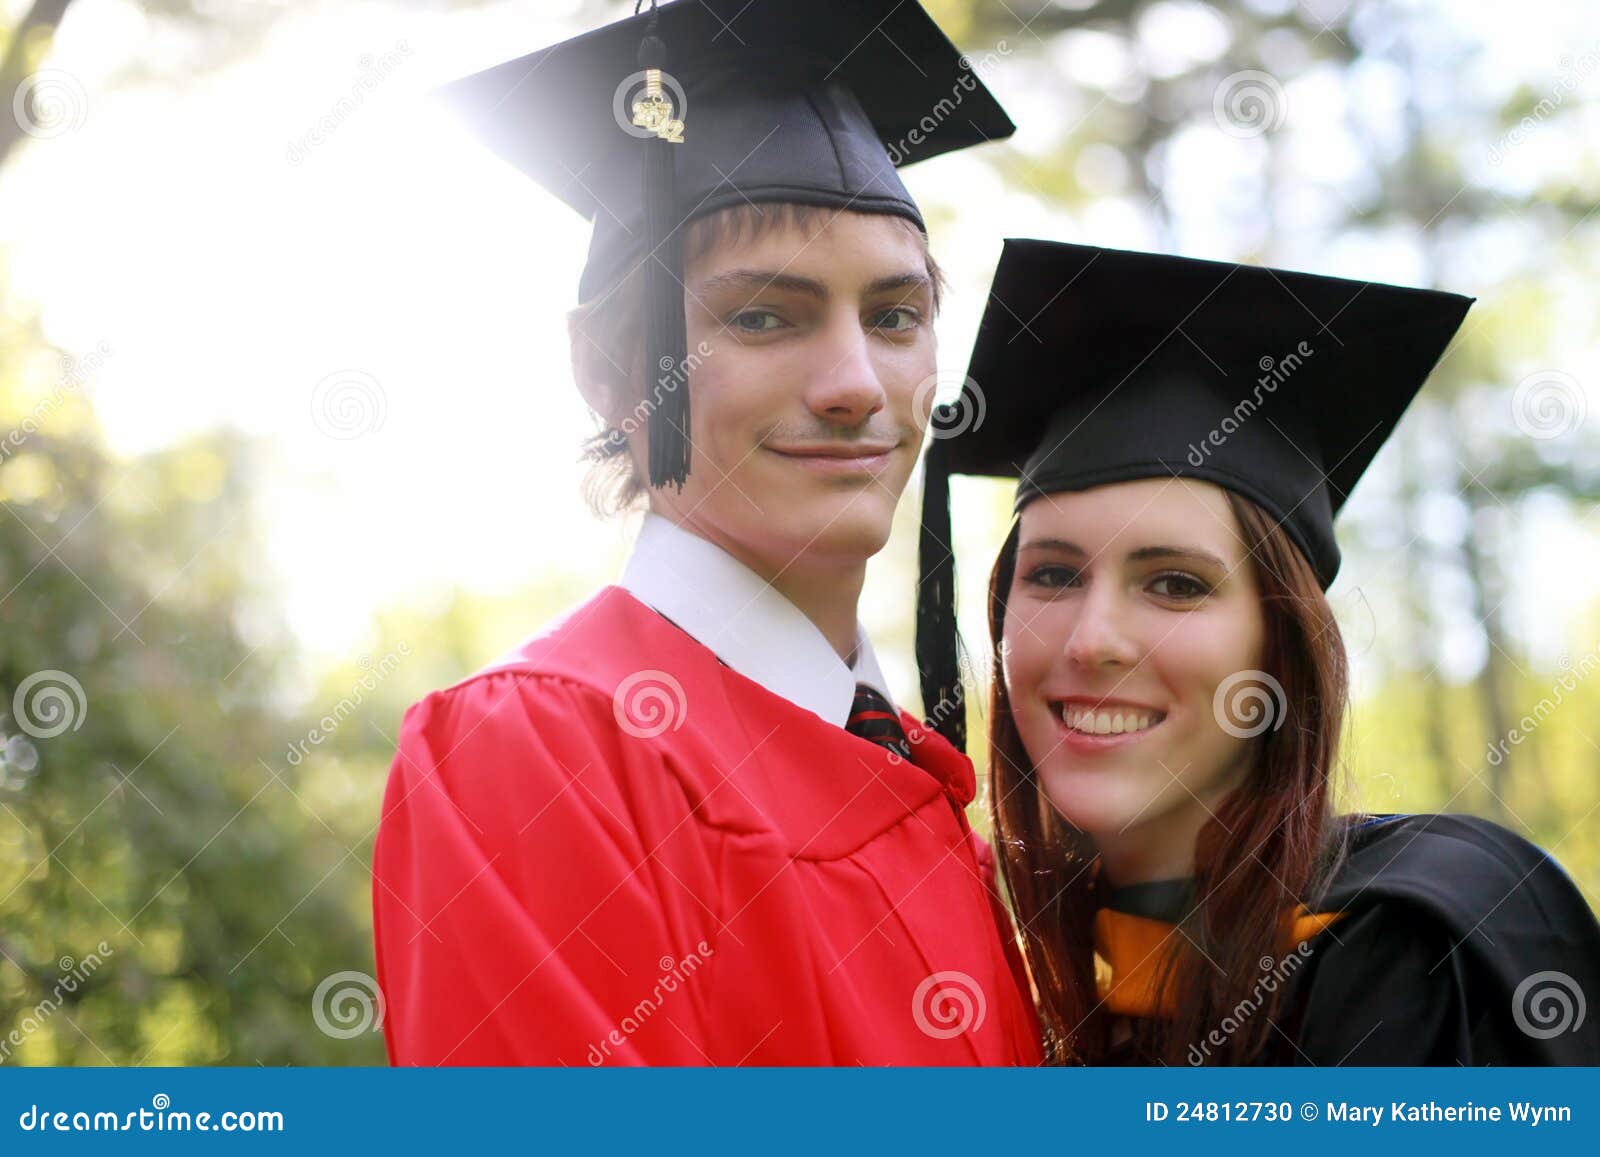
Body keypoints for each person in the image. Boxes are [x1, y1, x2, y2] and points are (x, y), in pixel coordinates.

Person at [371, 0, 1042, 1066]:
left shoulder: (924, 786)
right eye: (764, 316)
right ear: (606, 367)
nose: (854, 385)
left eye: (893, 315)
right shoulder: (540, 750)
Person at [915, 238, 1600, 1065]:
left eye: (1174, 583)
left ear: (1282, 647)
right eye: (1054, 574)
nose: (1093, 638)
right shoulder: (1039, 1006)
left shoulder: (1416, 950)